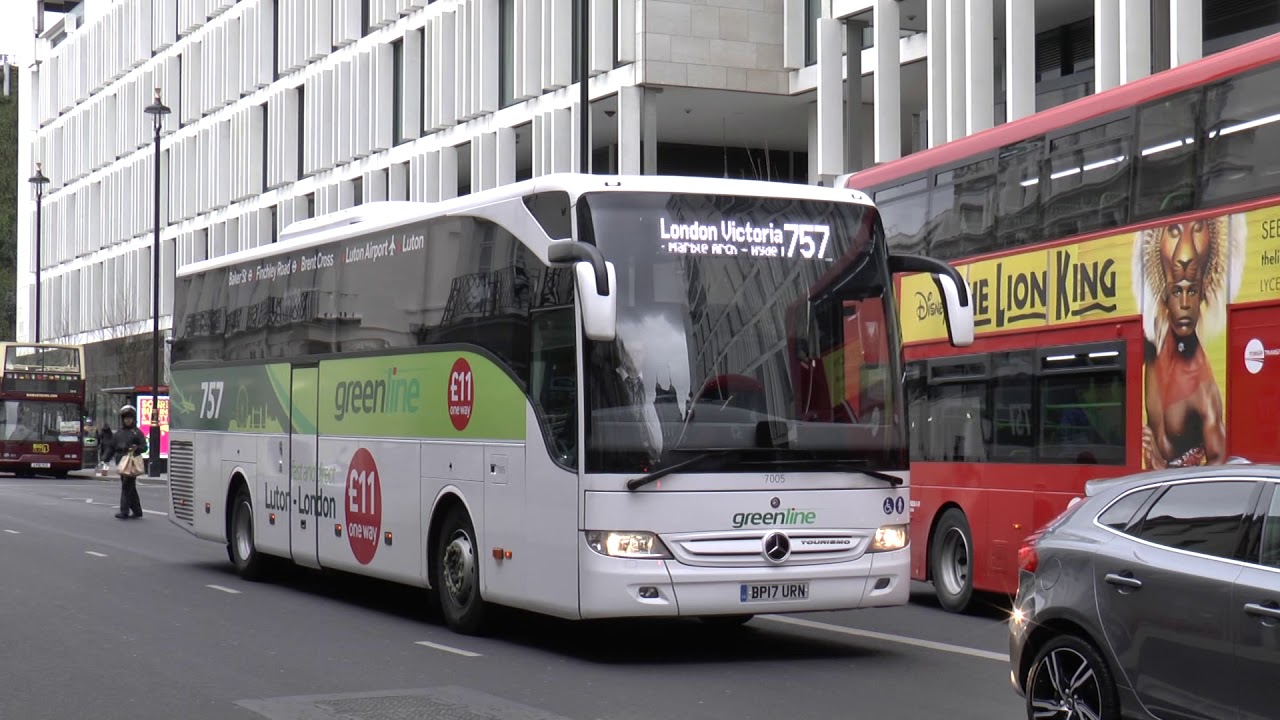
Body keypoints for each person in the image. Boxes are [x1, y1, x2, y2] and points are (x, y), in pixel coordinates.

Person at [1139, 219, 1231, 469]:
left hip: (1173, 490)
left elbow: (1219, 465)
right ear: (1165, 298)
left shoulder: (1204, 392)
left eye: (1192, 291)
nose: (1185, 304)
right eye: (1177, 292)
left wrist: (1162, 468)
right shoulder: (1150, 347)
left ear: (1202, 295)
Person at [103, 405, 148, 519]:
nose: (128, 420)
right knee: (130, 487)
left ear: (133, 419)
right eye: (126, 418)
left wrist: (136, 448)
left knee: (126, 486)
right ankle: (137, 510)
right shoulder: (119, 433)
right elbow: (111, 447)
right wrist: (105, 460)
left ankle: (124, 511)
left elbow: (144, 447)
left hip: (131, 462)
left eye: (130, 418)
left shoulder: (136, 432)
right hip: (121, 462)